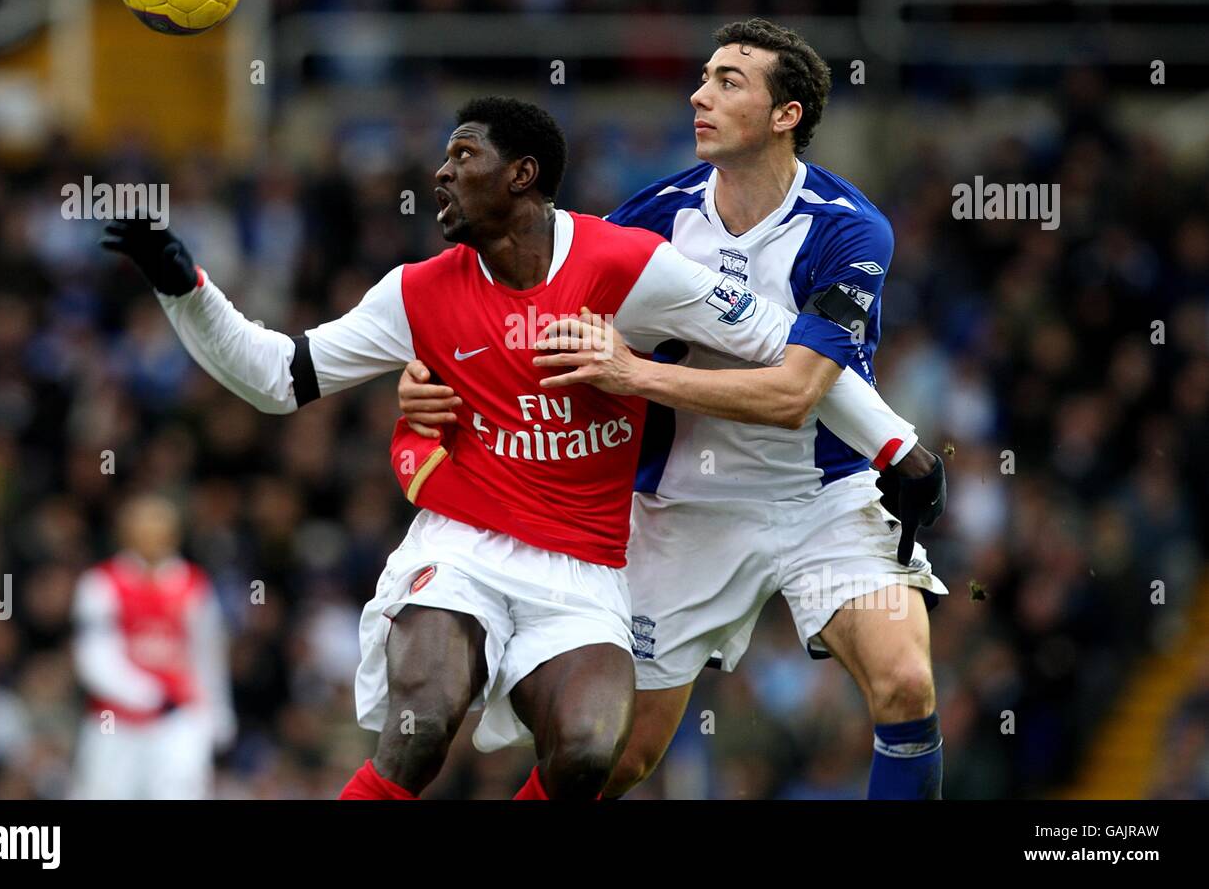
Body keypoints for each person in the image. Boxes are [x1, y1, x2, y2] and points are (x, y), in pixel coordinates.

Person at [103, 96, 923, 800]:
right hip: (461, 550)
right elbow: (281, 377)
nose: (441, 172)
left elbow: (782, 347)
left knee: (593, 753)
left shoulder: (629, 263)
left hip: (588, 573)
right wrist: (185, 290)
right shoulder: (416, 290)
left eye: (464, 155)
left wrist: (894, 442)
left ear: (523, 174)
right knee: (423, 723)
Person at [399, 21, 949, 800]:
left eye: (730, 81)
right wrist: (428, 380)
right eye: (703, 77)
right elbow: (537, 327)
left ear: (785, 114)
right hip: (686, 506)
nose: (700, 93)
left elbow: (797, 393)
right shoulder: (650, 220)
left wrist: (635, 375)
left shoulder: (848, 227)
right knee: (618, 756)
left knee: (905, 682)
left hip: (825, 496)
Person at [71, 494, 234, 799]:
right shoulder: (100, 583)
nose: (151, 538)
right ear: (126, 533)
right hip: (115, 720)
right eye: (142, 529)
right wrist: (146, 695)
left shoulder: (194, 585)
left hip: (179, 719)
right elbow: (94, 657)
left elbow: (207, 654)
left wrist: (219, 714)